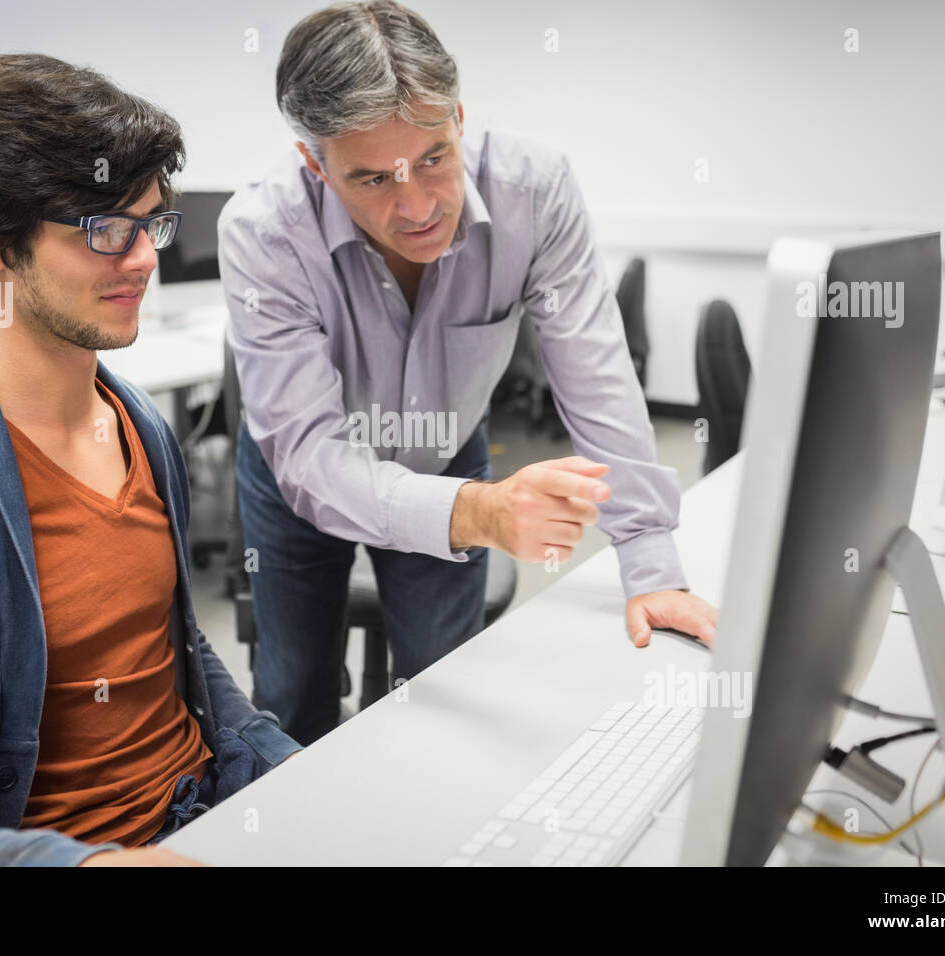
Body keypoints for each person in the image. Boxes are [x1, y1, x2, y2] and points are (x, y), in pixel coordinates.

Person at [0, 53, 299, 867]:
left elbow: (175, 653)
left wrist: (289, 771)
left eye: (152, 224)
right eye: (106, 229)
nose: (143, 258)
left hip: (205, 821)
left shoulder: (138, 425)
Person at [220, 0, 719, 746]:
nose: (418, 206)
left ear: (458, 116)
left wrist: (651, 563)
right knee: (293, 699)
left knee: (446, 692)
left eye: (433, 159)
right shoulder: (263, 232)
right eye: (373, 180)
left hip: (450, 454)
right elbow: (311, 455)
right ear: (313, 164)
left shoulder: (534, 190)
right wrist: (480, 514)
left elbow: (597, 373)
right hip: (301, 483)